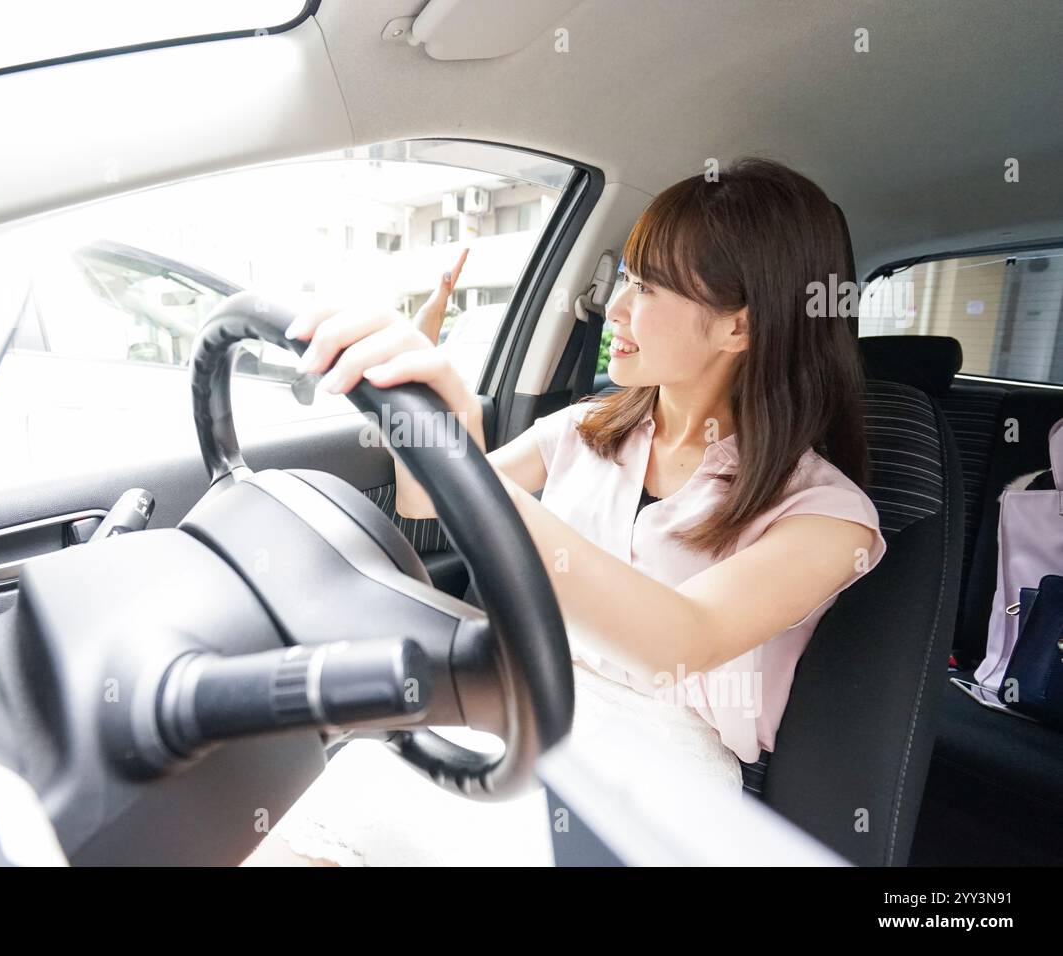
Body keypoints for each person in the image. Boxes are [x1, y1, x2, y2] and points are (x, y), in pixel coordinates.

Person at [242, 157, 887, 866]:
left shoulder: (829, 514)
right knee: (327, 802)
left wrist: (464, 452)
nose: (613, 310)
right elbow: (430, 503)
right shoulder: (584, 429)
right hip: (520, 702)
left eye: (645, 288)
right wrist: (422, 416)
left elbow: (683, 640)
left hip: (661, 767)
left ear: (739, 326)